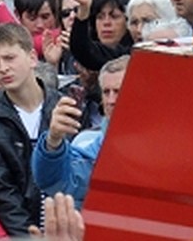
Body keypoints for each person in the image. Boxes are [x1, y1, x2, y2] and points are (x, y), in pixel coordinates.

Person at [0, 23, 61, 237]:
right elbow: (0, 188)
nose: (3, 68)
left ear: (31, 57)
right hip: (18, 231)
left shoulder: (64, 106)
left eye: (9, 58)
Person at [32, 55, 129, 208]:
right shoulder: (87, 145)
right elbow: (54, 182)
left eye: (119, 91)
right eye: (106, 92)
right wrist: (52, 141)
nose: (111, 100)